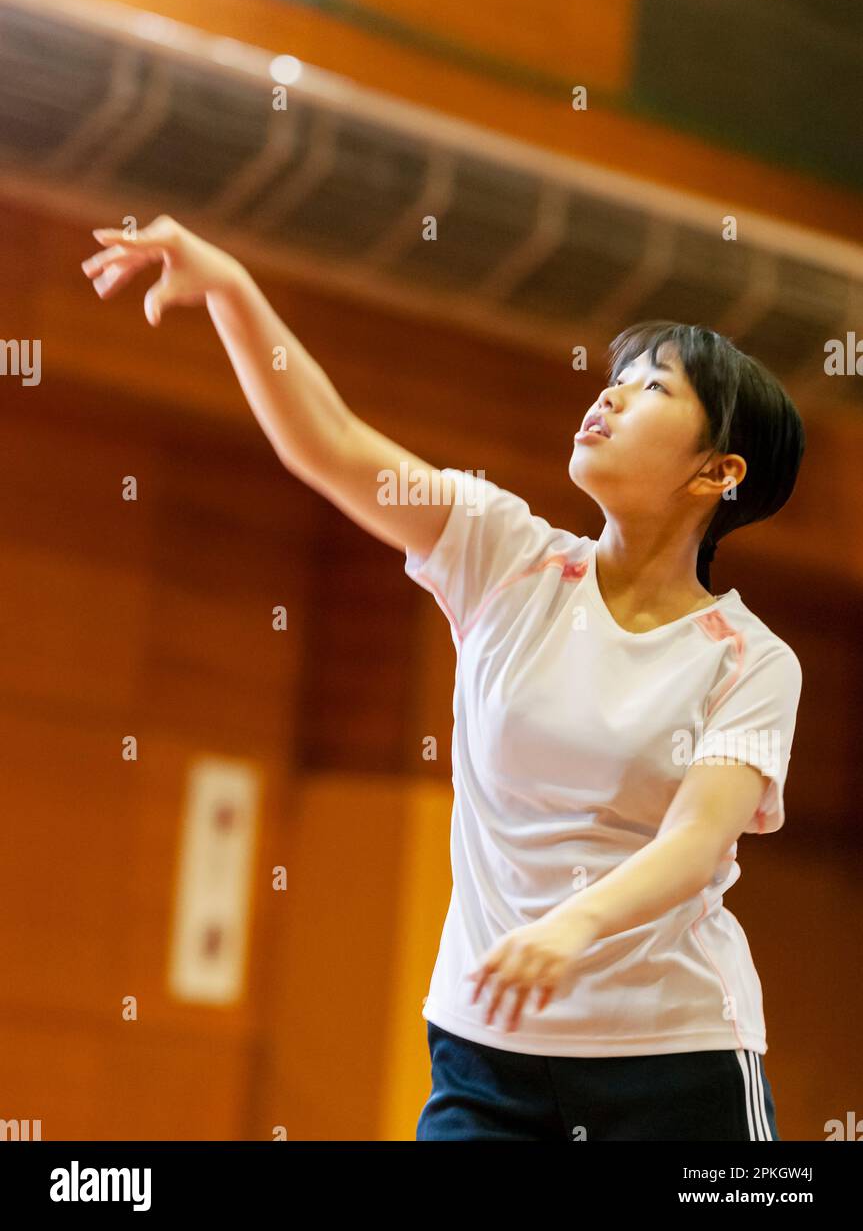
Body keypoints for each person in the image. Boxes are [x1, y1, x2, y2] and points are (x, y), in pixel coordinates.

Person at [81, 217, 804, 1142]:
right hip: (487, 1051)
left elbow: (695, 845)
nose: (611, 399)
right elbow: (331, 442)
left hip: (673, 1061)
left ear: (719, 470)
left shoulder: (747, 660)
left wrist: (572, 927)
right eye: (613, 379)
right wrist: (228, 287)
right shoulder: (503, 553)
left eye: (651, 387)